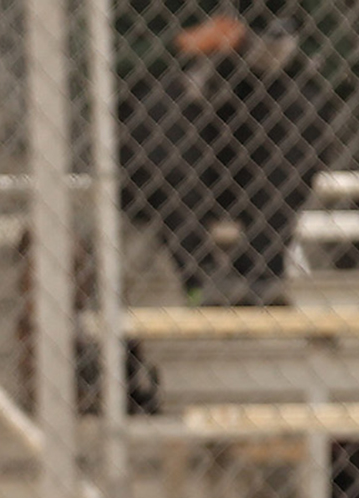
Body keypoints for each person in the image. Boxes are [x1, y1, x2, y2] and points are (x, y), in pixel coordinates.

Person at [132, 10, 328, 307]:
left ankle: (262, 272)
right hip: (172, 143)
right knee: (162, 109)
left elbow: (335, 56)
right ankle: (200, 278)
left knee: (299, 108)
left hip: (251, 141)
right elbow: (110, 57)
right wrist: (183, 44)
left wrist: (260, 47)